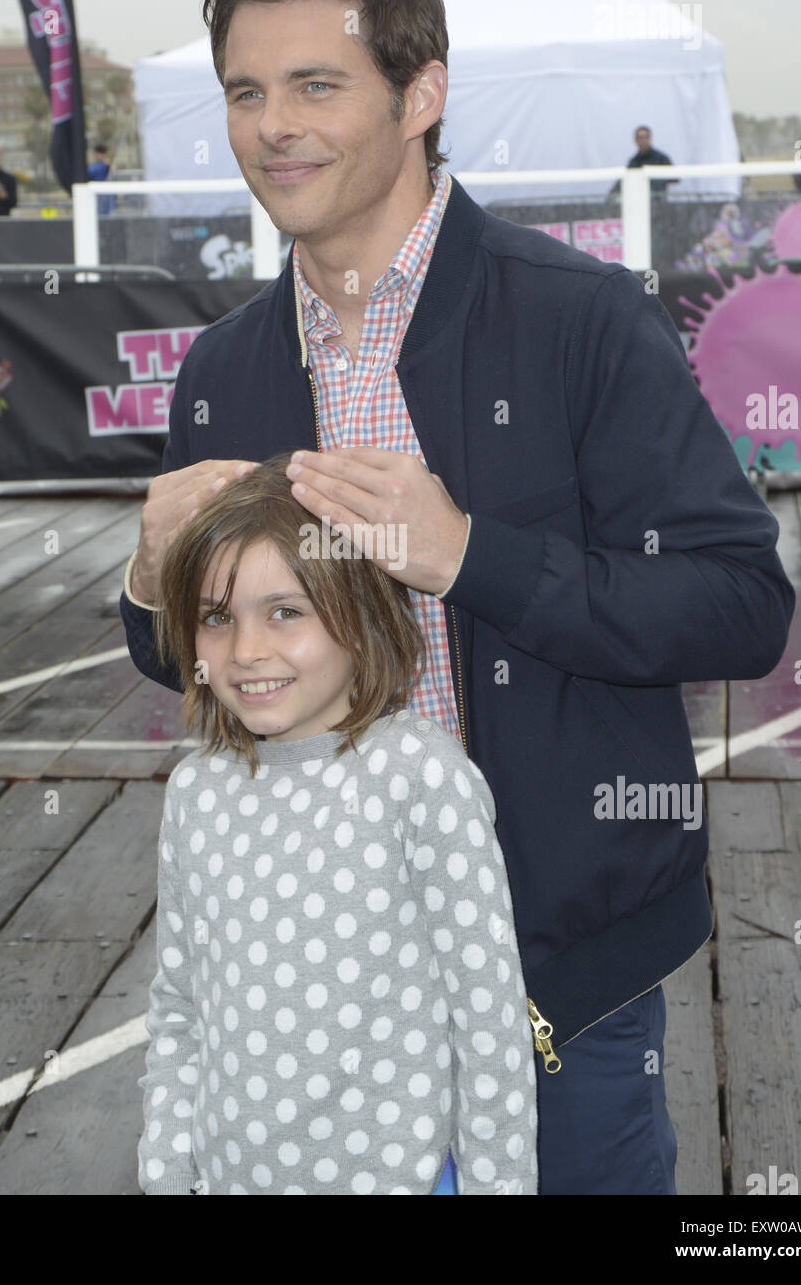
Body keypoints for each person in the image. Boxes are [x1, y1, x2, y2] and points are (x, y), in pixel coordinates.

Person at [119, 0, 795, 1195]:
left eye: (318, 84)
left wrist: (470, 553)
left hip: (564, 975)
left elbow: (741, 604)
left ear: (421, 93)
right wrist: (152, 578)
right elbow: (192, 655)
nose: (274, 125)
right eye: (247, 92)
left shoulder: (584, 321)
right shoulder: (224, 370)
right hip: (304, 1000)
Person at [136, 454, 539, 1196]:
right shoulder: (196, 793)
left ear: (361, 613)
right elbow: (181, 1007)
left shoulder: (421, 778)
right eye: (216, 618)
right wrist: (166, 1173)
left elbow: (488, 1031)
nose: (247, 651)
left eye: (286, 611)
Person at [87, 143, 115, 215]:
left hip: (102, 203)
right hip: (103, 204)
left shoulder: (101, 167)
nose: (96, 156)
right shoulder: (104, 166)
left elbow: (88, 173)